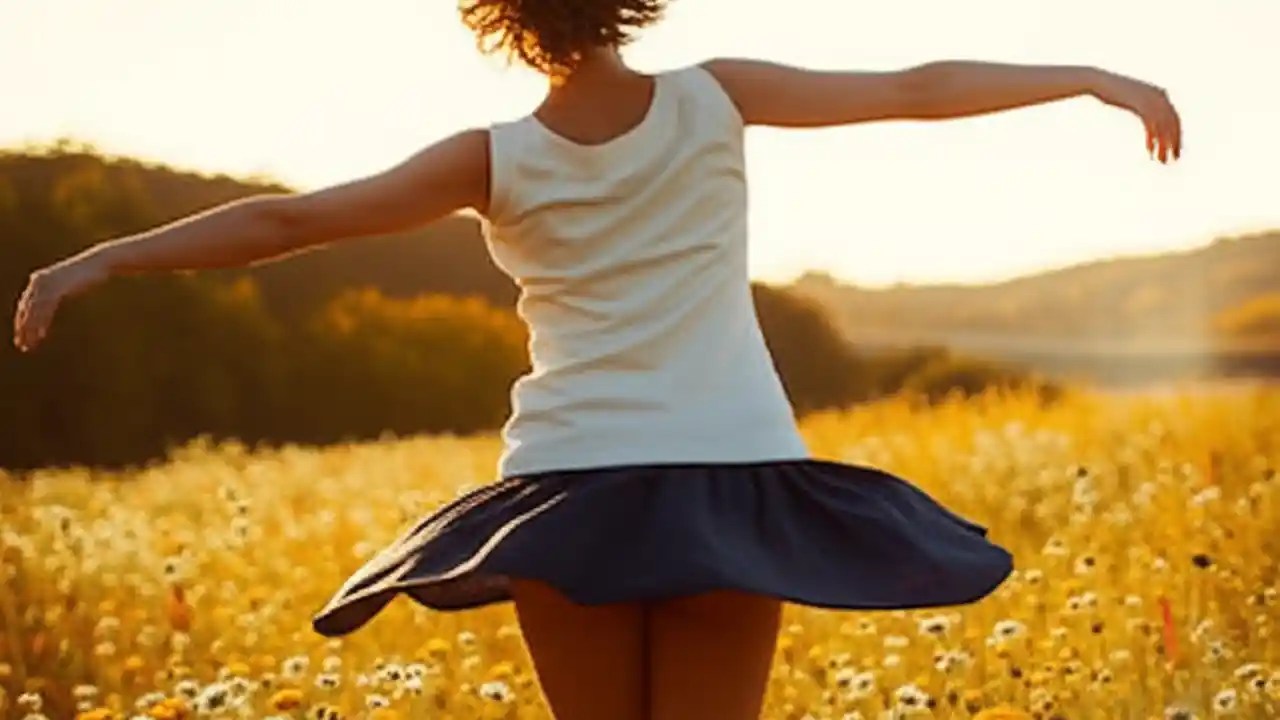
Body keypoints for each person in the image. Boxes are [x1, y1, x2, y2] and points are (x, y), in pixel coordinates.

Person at [13, 0, 1181, 717]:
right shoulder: (718, 97)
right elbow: (912, 92)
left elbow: (283, 222)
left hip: (567, 498)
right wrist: (1086, 75)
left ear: (504, 17)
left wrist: (95, 262)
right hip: (731, 479)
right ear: (626, 5)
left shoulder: (491, 156)